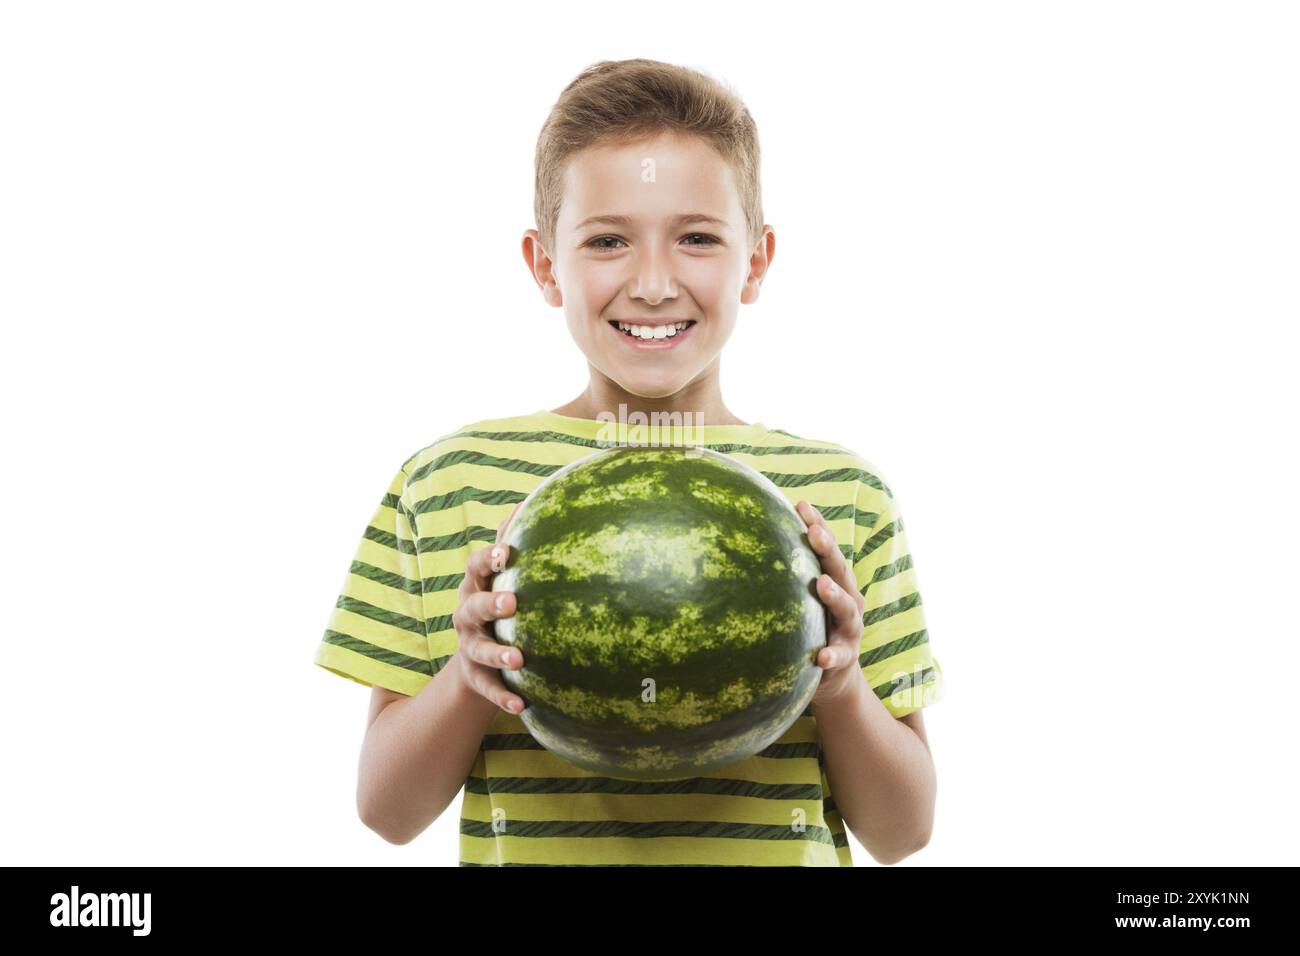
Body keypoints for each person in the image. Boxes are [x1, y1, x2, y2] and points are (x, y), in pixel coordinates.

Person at [313, 58, 943, 866]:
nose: (652, 284)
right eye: (608, 240)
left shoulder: (842, 498)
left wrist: (843, 685)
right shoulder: (450, 482)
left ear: (756, 260)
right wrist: (467, 682)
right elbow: (387, 811)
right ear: (546, 265)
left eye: (697, 239)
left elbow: (904, 831)